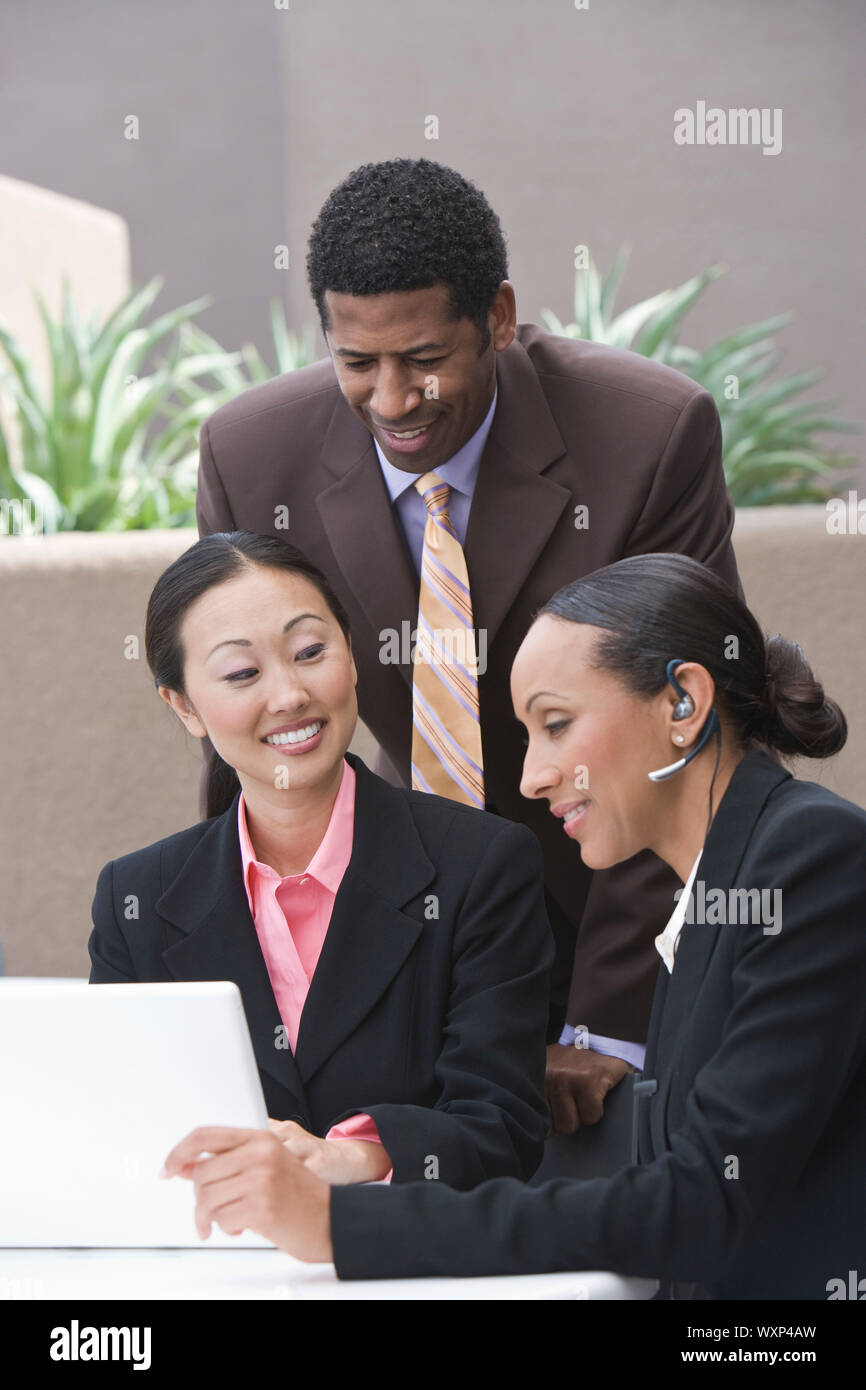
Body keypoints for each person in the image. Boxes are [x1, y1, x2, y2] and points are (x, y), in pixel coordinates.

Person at [195, 157, 743, 1129]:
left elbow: (681, 739)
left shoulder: (647, 435)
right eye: (357, 362)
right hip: (413, 924)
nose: (393, 400)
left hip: (620, 915)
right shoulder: (253, 455)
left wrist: (605, 1027)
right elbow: (242, 738)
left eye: (423, 357)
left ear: (497, 316)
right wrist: (242, 1002)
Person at [163, 554, 866, 1300]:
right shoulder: (718, 882)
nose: (532, 778)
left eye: (556, 725)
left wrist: (343, 1226)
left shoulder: (807, 858)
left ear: (682, 704)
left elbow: (700, 1203)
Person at [88, 531, 553, 1190]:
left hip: (413, 1274)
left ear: (352, 654)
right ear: (185, 706)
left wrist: (356, 1156)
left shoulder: (481, 867)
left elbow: (502, 1125)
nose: (289, 695)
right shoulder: (135, 899)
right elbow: (115, 1127)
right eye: (242, 674)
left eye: (310, 652)